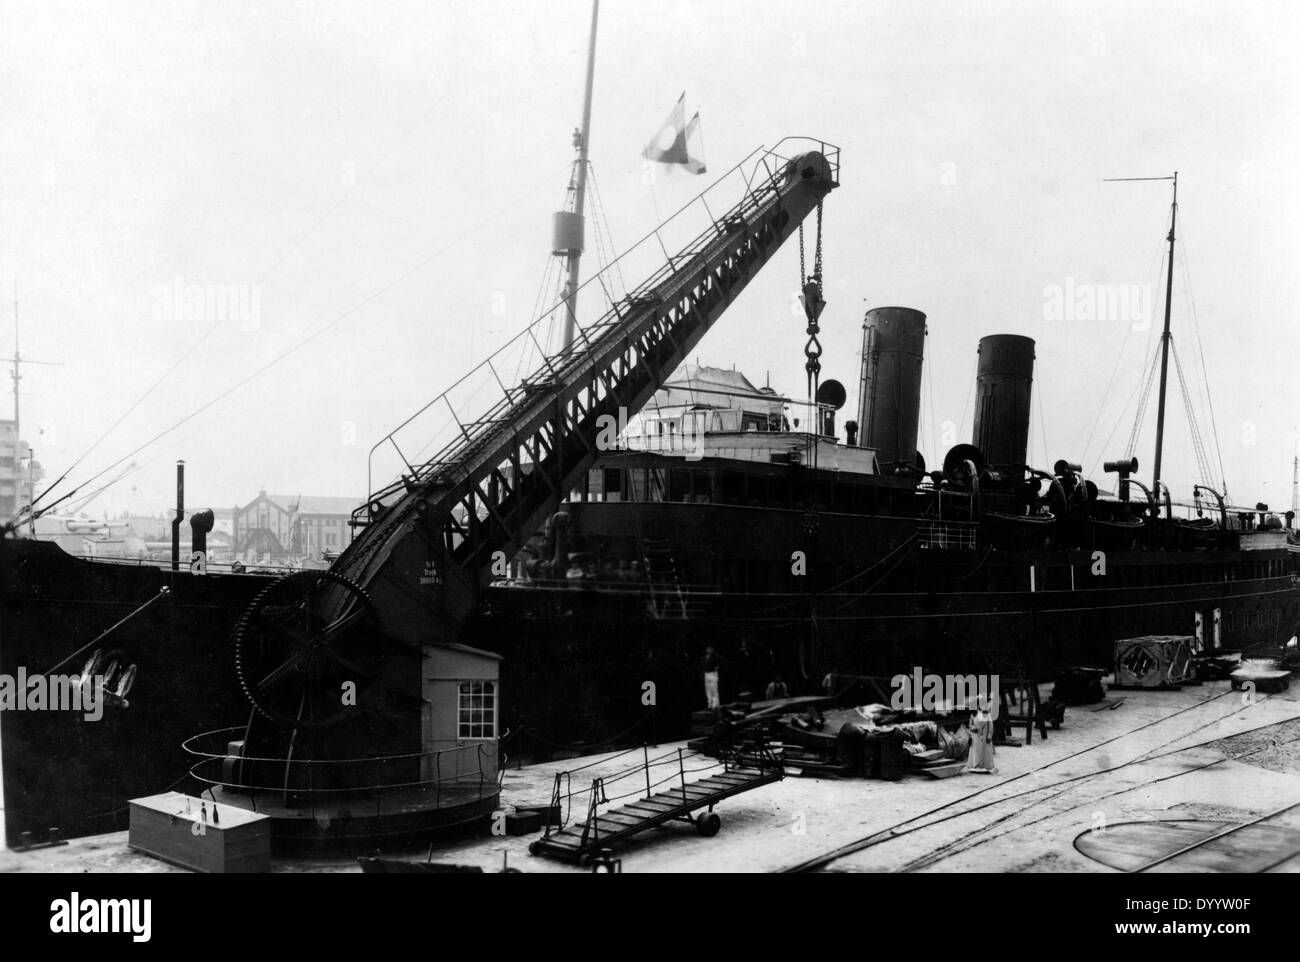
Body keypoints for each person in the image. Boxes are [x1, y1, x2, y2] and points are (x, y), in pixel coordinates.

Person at [965, 698, 997, 774]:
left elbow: (990, 726)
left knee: (985, 751)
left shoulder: (987, 715)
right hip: (975, 736)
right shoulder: (973, 715)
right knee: (975, 751)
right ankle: (975, 766)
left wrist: (989, 734)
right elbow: (970, 724)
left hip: (984, 736)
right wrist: (972, 728)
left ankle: (985, 766)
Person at [702, 645, 721, 712]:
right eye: (707, 649)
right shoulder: (706, 657)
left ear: (712, 649)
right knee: (708, 690)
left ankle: (715, 705)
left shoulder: (715, 656)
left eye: (710, 649)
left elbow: (719, 664)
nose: (708, 650)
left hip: (712, 674)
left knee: (714, 690)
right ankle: (709, 705)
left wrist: (715, 669)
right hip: (706, 674)